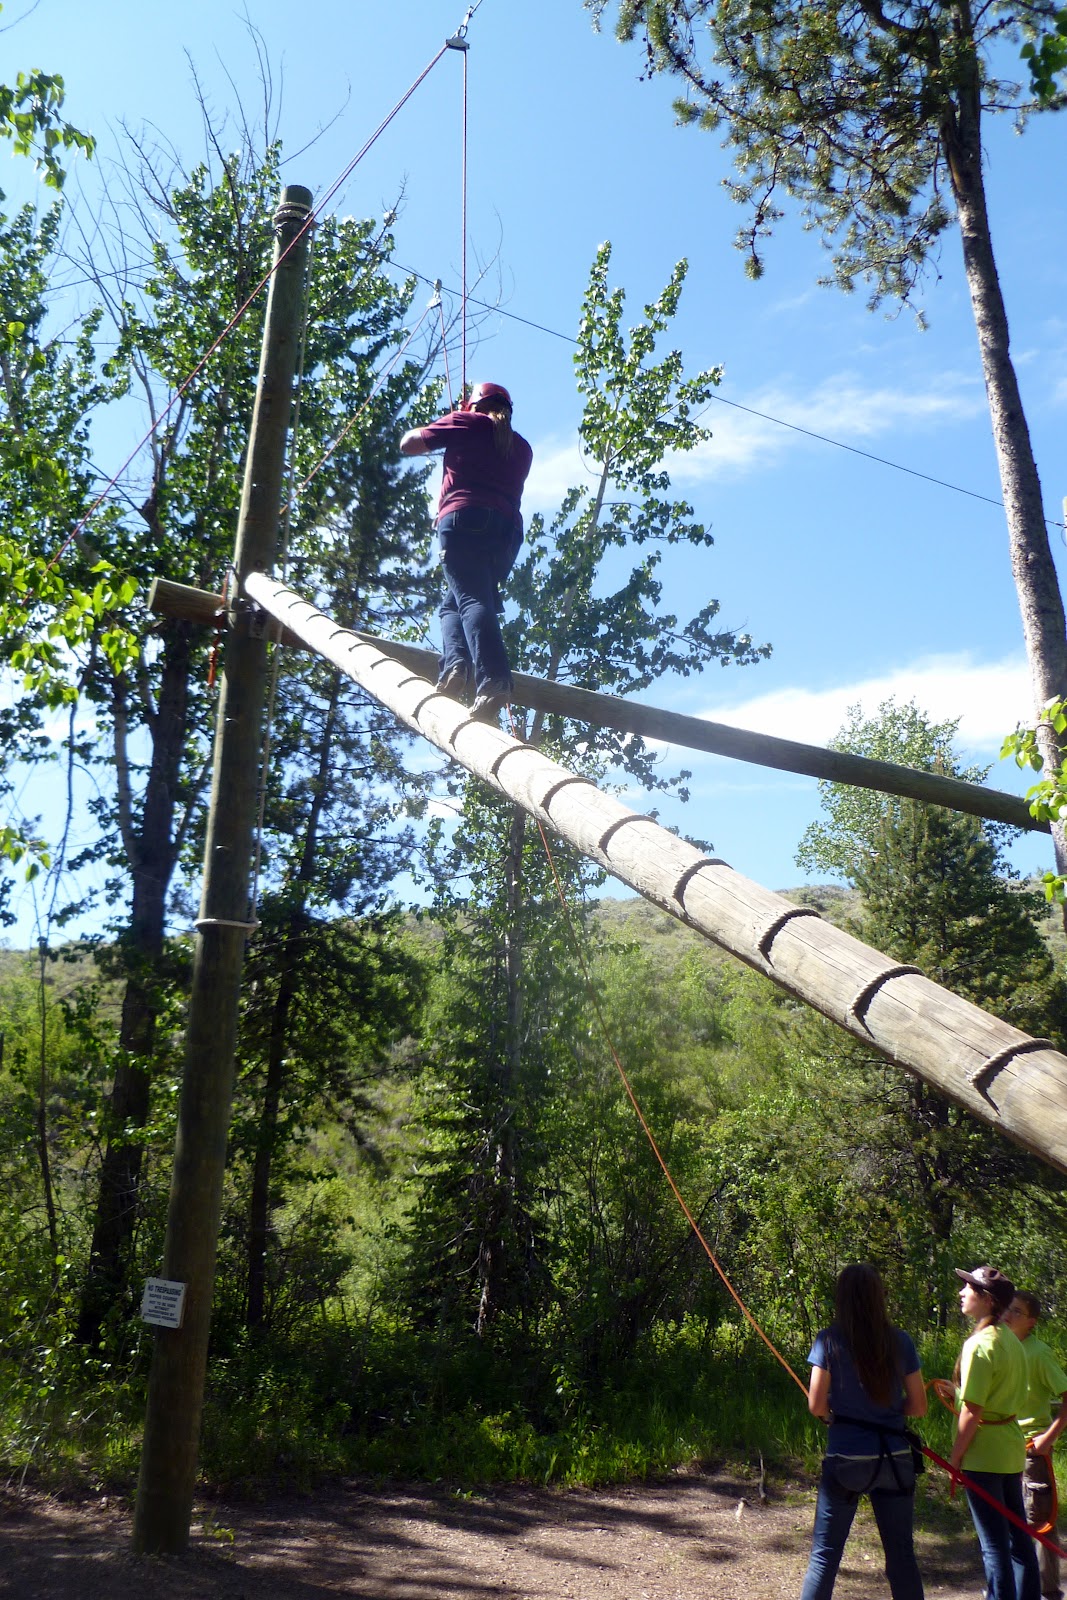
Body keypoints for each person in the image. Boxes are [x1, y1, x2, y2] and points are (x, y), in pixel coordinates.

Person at [400, 382, 532, 722]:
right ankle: (456, 666)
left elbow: (409, 444)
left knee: (471, 599)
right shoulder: (521, 447)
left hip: (463, 519)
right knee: (454, 603)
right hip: (506, 533)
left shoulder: (467, 422)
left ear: (474, 405)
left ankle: (492, 680)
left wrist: (452, 418)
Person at [800, 1263, 927, 1600]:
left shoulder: (828, 1340)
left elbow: (816, 1406)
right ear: (878, 1297)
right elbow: (918, 1406)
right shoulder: (900, 1341)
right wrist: (885, 1412)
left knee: (825, 1556)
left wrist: (836, 1410)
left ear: (841, 1299)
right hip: (895, 1460)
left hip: (847, 1461)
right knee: (901, 1558)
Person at [950, 1265, 1041, 1600]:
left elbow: (973, 1412)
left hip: (984, 1453)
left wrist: (955, 1458)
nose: (962, 1293)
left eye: (969, 1288)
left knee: (993, 1547)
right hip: (1009, 1449)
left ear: (986, 1300)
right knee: (1018, 1539)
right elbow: (992, 1396)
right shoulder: (1011, 1341)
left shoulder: (979, 1344)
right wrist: (957, 1392)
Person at [1005, 1289, 1067, 1599]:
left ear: (1031, 1321)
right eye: (1008, 1309)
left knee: (1039, 1522)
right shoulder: (1002, 1348)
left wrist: (1049, 1437)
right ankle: (1014, 1587)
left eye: (1017, 1311)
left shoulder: (1039, 1353)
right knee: (1007, 1520)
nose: (1008, 1315)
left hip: (1032, 1451)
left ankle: (1049, 1591)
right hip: (1003, 1449)